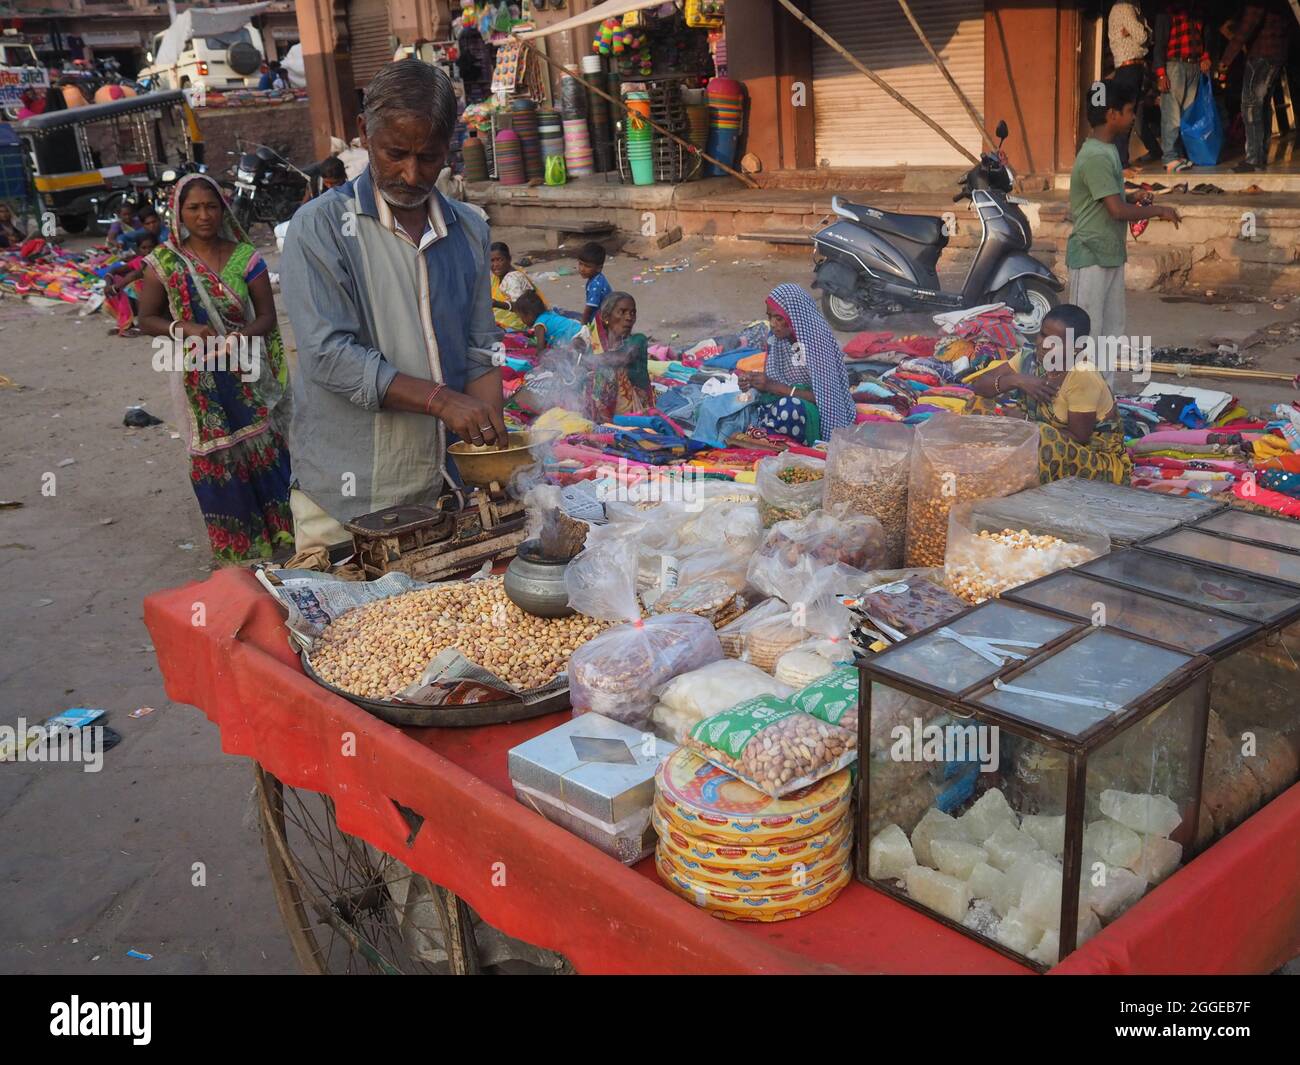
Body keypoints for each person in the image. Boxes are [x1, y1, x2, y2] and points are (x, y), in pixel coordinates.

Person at [279, 60, 505, 551]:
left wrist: (491, 450)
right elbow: (328, 355)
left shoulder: (468, 228)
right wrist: (442, 400)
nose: (411, 173)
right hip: (348, 499)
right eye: (395, 153)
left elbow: (481, 346)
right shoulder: (318, 228)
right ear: (364, 133)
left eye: (429, 157)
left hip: (444, 491)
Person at [137, 174, 294, 561]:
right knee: (216, 456)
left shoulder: (246, 257)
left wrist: (240, 337)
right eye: (194, 208)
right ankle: (239, 551)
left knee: (265, 449)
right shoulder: (166, 264)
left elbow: (267, 318)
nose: (203, 215)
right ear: (179, 213)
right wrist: (185, 327)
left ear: (223, 210)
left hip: (245, 372)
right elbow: (145, 319)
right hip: (198, 381)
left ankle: (287, 541)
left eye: (211, 206)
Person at [1068, 77, 1180, 386]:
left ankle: (1104, 396)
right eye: (1130, 111)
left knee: (1111, 331)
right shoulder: (1095, 156)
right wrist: (1158, 210)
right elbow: (1115, 211)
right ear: (1112, 114)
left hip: (1109, 254)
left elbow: (1111, 199)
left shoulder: (1106, 152)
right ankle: (1082, 399)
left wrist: (1132, 196)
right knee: (1086, 334)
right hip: (1090, 255)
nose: (1133, 117)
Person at [970, 304, 1132, 484]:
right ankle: (986, 464)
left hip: (1094, 461)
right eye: (1043, 335)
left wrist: (1025, 424)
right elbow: (979, 387)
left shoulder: (1082, 375)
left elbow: (1079, 437)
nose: (1043, 344)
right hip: (1033, 443)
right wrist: (1016, 380)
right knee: (977, 405)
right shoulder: (1029, 358)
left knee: (1043, 436)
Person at [736, 284, 856, 446]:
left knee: (789, 408)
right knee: (739, 404)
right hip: (779, 400)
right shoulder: (776, 339)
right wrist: (752, 383)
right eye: (770, 317)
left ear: (793, 317)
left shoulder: (816, 340)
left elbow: (828, 399)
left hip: (815, 411)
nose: (772, 324)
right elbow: (771, 382)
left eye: (779, 318)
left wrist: (774, 387)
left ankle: (775, 436)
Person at [1219, 1, 1293, 172]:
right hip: (1276, 55)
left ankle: (1253, 159)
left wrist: (1226, 59)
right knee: (1263, 106)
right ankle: (1260, 154)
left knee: (1251, 106)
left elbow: (1247, 27)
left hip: (1262, 55)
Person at [573, 291, 651, 421]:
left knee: (606, 372)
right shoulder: (595, 343)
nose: (629, 317)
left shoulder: (638, 340)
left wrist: (587, 361)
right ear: (606, 317)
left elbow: (620, 359)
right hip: (600, 406)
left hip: (633, 408)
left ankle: (600, 419)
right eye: (622, 312)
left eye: (633, 312)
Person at [1154, 2, 1213, 172]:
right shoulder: (1166, 12)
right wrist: (1161, 73)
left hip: (1194, 65)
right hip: (1174, 66)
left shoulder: (1198, 11)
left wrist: (1205, 56)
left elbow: (1206, 36)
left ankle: (1179, 154)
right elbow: (1159, 44)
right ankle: (1169, 157)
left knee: (1187, 115)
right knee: (1171, 114)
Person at [1108, 1, 1162, 170]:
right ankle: (1121, 164)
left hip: (1134, 67)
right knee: (1126, 116)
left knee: (1132, 117)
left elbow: (1149, 36)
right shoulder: (1124, 7)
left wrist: (1139, 31)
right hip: (1128, 67)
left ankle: (1123, 162)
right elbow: (1143, 37)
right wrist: (1140, 31)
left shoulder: (1134, 10)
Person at [103, 231, 157, 337]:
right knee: (118, 279)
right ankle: (125, 322)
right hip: (142, 295)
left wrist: (116, 288)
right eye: (144, 248)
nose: (148, 251)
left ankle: (143, 324)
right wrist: (108, 283)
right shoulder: (138, 260)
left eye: (151, 247)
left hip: (156, 294)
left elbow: (137, 274)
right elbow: (114, 270)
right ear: (138, 249)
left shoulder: (157, 261)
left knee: (135, 285)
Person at [490, 241, 546, 330]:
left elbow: (521, 307)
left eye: (500, 260)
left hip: (522, 323)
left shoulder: (512, 278)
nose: (495, 265)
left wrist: (497, 304)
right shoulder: (496, 277)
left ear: (509, 259)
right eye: (492, 261)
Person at [514, 289, 582, 350]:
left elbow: (540, 348)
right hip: (580, 329)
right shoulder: (548, 314)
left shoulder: (539, 325)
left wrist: (537, 360)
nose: (522, 321)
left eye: (521, 317)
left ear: (529, 315)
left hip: (575, 337)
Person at [577, 242, 611, 325]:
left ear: (599, 268)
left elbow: (590, 307)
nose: (582, 269)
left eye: (587, 266)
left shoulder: (596, 285)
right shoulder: (597, 278)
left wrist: (583, 324)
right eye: (580, 264)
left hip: (604, 319)